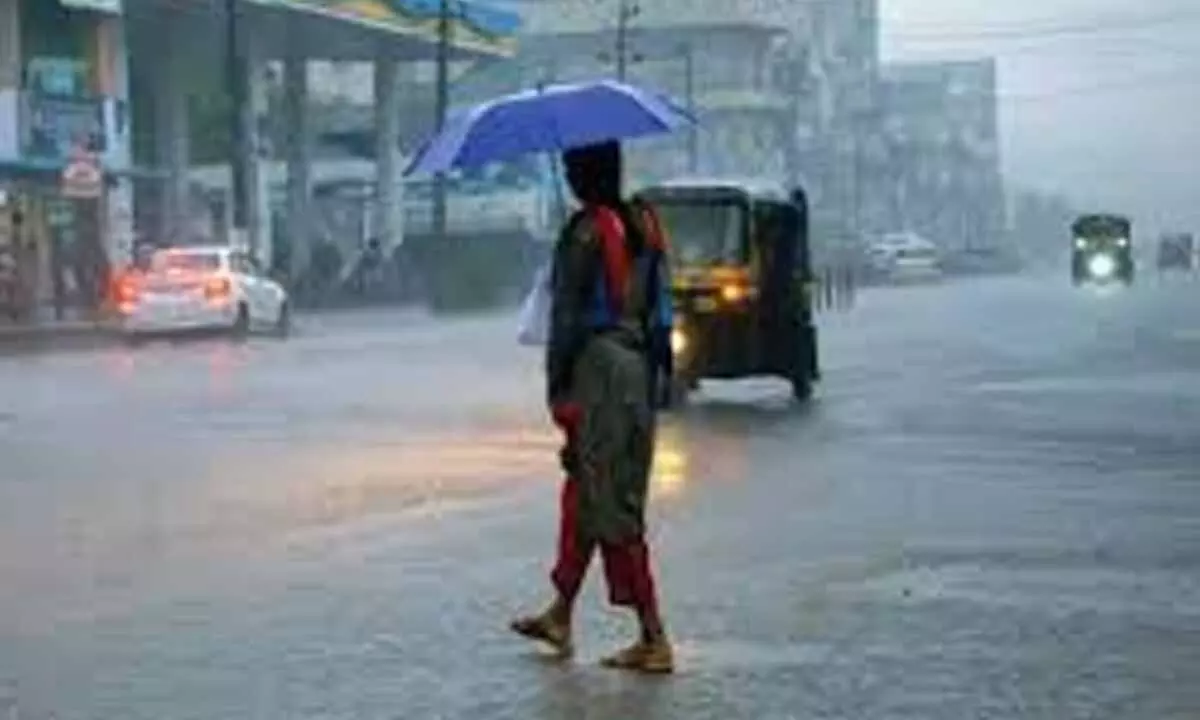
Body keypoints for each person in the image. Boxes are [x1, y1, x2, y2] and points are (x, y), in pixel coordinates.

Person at [510, 140, 675, 674]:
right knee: (587, 493)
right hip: (638, 368)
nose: (567, 173)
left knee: (612, 502)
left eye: (570, 166)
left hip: (599, 369)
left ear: (584, 173)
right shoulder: (646, 222)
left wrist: (559, 391)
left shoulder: (583, 233)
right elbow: (663, 310)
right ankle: (560, 612)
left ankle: (653, 636)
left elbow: (566, 321)